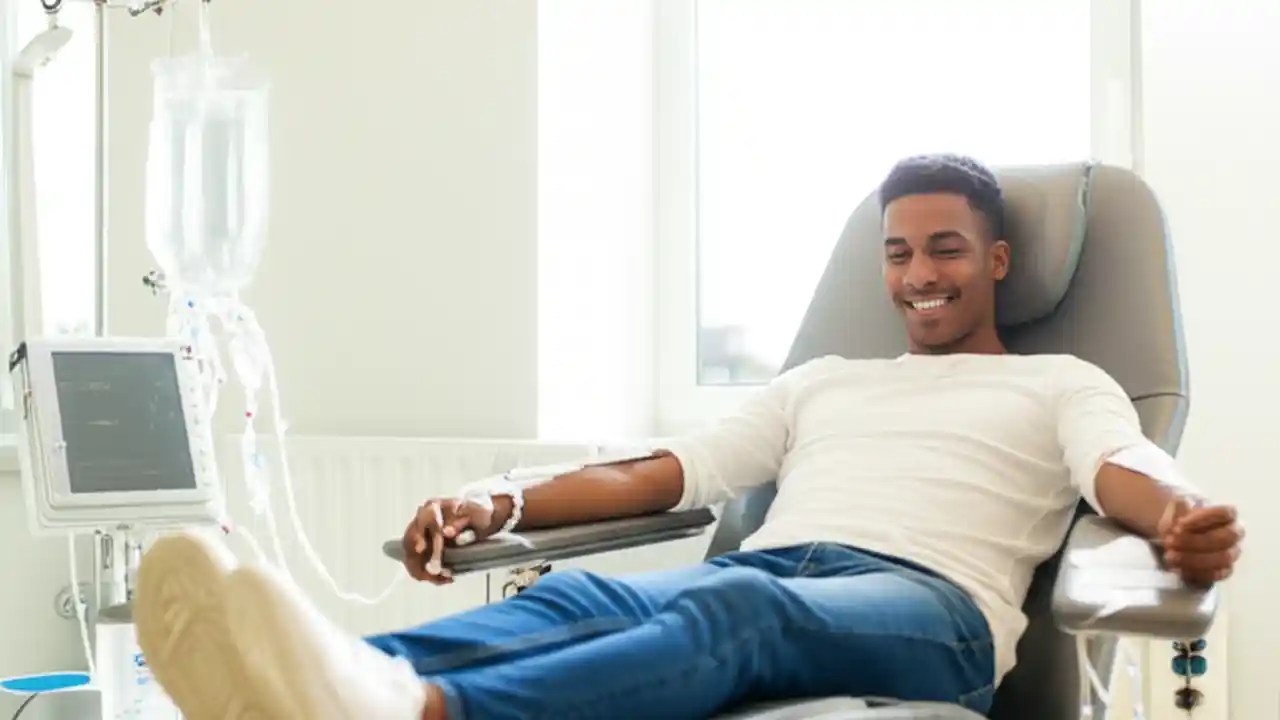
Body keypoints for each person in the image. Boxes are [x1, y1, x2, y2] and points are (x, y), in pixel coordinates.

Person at [134, 154, 1244, 720]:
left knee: (735, 609)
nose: (919, 274)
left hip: (934, 612)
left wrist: (1180, 518)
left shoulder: (1060, 380)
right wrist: (499, 502)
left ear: (995, 260)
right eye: (898, 253)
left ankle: (429, 709)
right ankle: (341, 681)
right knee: (581, 600)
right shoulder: (824, 383)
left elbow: (1123, 467)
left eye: (945, 249)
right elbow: (669, 473)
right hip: (779, 573)